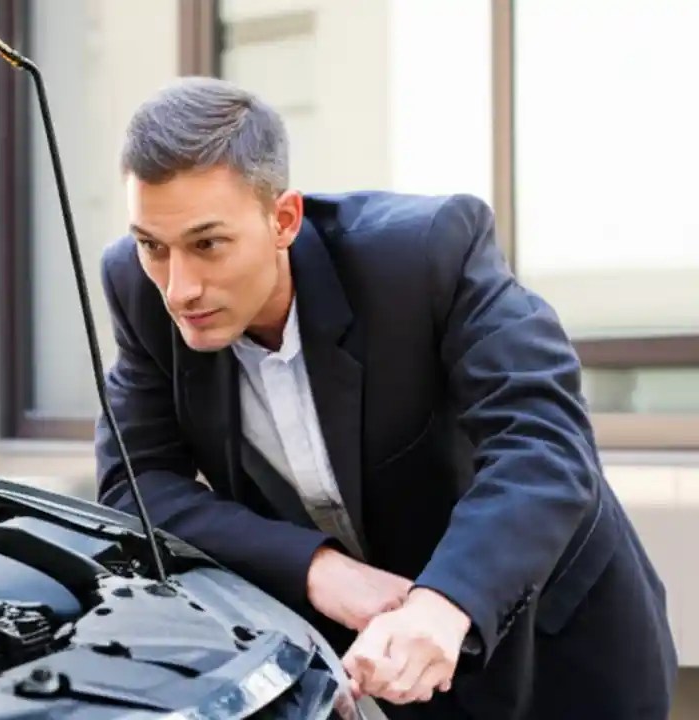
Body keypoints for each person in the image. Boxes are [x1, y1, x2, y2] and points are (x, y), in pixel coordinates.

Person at [94, 76, 677, 719]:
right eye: (153, 245)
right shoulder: (135, 288)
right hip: (392, 672)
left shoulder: (427, 252)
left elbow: (543, 444)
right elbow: (135, 483)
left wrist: (444, 602)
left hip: (561, 647)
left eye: (208, 245)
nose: (178, 289)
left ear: (283, 218)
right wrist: (319, 569)